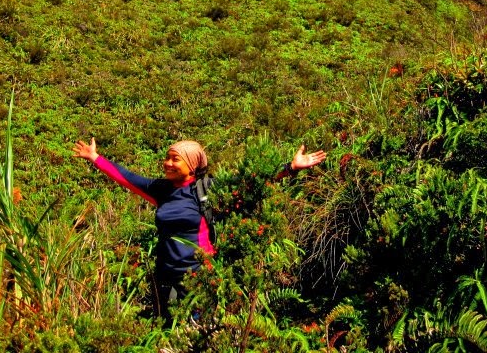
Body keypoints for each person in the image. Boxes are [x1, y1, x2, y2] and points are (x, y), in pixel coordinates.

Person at [72, 136, 326, 321]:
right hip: (166, 278)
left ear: (192, 165)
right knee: (168, 331)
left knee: (197, 330)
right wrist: (95, 157)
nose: (168, 163)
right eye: (168, 158)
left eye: (176, 159)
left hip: (198, 277)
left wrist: (290, 168)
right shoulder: (160, 190)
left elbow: (251, 182)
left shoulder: (207, 189)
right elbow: (126, 177)